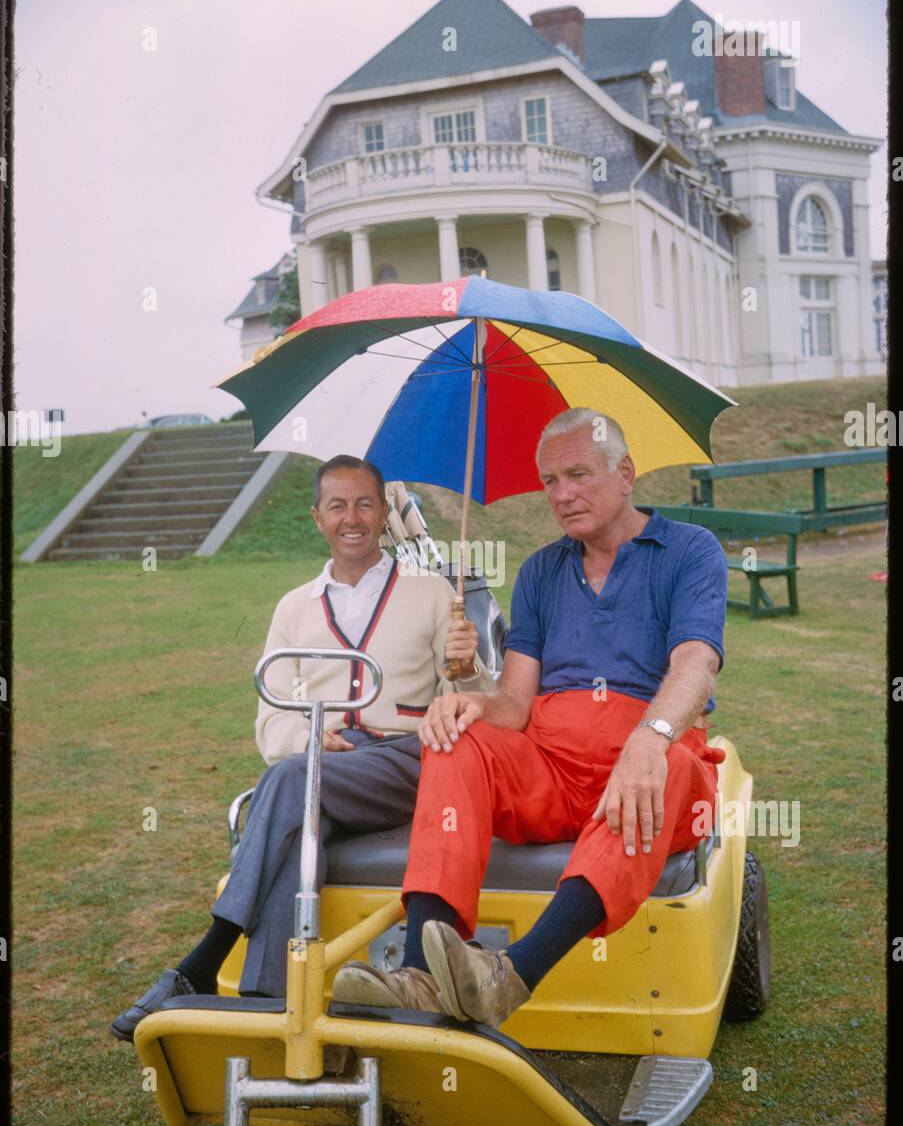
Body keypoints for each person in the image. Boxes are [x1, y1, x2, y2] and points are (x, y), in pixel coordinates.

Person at [333, 408, 729, 1027]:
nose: (563, 494)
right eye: (550, 480)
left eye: (578, 473)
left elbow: (696, 663)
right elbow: (515, 704)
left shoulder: (688, 550)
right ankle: (419, 970)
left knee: (673, 763)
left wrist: (649, 738)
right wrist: (469, 698)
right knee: (454, 739)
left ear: (624, 473)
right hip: (550, 763)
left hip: (643, 756)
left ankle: (513, 972)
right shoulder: (543, 569)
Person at [110, 454, 492, 1041]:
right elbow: (272, 722)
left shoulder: (435, 594)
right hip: (325, 766)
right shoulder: (293, 607)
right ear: (317, 517)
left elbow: (475, 709)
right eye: (337, 505)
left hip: (409, 761)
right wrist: (311, 739)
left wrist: (465, 668)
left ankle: (201, 964)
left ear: (385, 511)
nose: (352, 517)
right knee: (296, 790)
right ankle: (272, 1005)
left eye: (365, 503)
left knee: (290, 781)